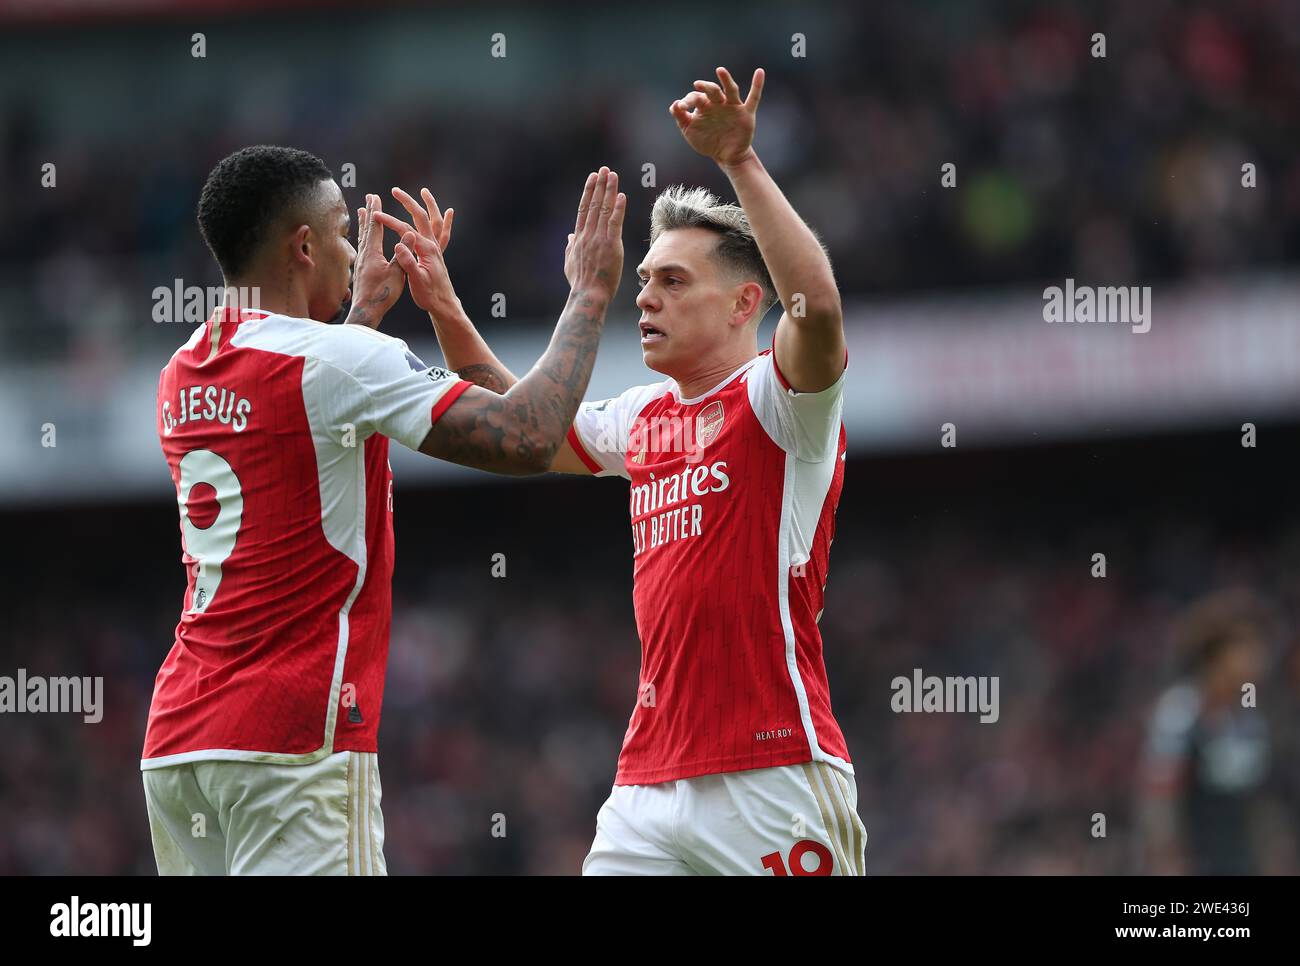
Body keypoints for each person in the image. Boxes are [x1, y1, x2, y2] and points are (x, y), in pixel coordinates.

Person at [377, 67, 865, 875]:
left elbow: (817, 307)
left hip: (771, 771)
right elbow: (520, 421)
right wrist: (448, 312)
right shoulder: (642, 417)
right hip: (645, 784)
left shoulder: (781, 403)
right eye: (642, 281)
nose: (646, 298)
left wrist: (740, 161)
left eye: (673, 282)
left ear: (746, 304)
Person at [142, 145, 625, 874]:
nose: (352, 246)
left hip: (181, 747)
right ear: (302, 246)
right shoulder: (337, 363)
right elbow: (528, 436)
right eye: (341, 232)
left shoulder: (182, 371)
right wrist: (589, 291)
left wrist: (362, 306)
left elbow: (306, 407)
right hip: (293, 743)